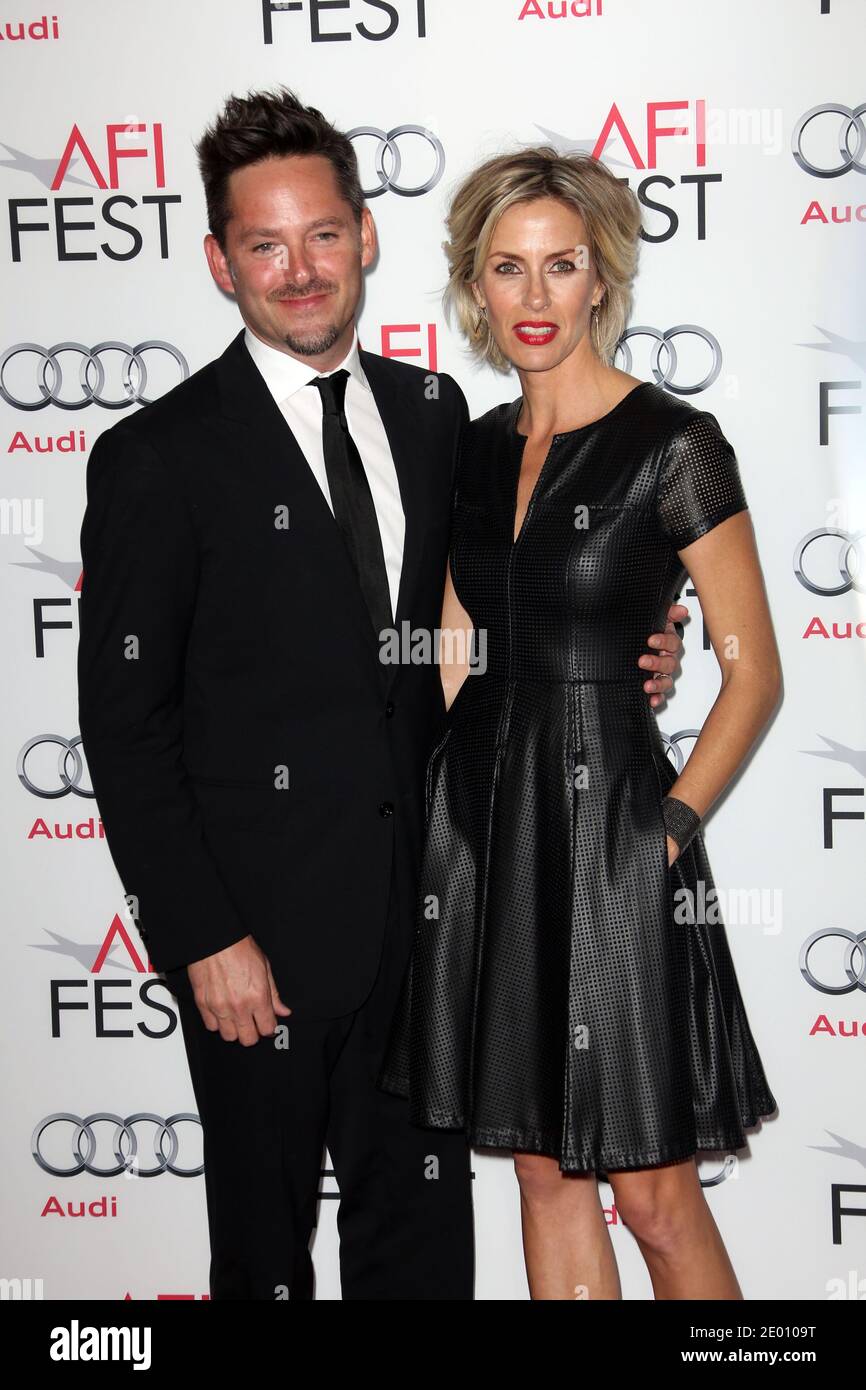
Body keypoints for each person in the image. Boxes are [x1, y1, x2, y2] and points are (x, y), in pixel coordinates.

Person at [77, 91, 687, 1301]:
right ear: (219, 261)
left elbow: (495, 608)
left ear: (364, 235)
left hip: (430, 918)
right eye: (263, 244)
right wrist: (204, 936)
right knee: (263, 1260)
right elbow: (124, 726)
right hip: (256, 946)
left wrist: (634, 645)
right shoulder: (160, 454)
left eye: (320, 236)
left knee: (419, 1257)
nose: (297, 271)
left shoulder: (432, 414)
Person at [378, 147, 781, 1301]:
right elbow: (454, 653)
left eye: (561, 267)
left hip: (613, 830)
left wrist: (660, 833)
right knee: (543, 1178)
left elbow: (750, 676)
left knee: (653, 1193)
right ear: (474, 285)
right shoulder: (470, 446)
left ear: (600, 278)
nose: (535, 297)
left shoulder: (674, 444)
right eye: (507, 269)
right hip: (486, 836)